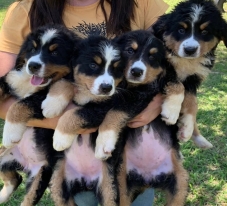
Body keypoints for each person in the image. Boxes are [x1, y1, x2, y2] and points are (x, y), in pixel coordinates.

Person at [0, 0, 168, 205]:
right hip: (72, 155)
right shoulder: (24, 10)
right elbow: (6, 91)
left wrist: (158, 99)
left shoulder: (141, 4)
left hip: (130, 151)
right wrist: (69, 123)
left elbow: (168, 59)